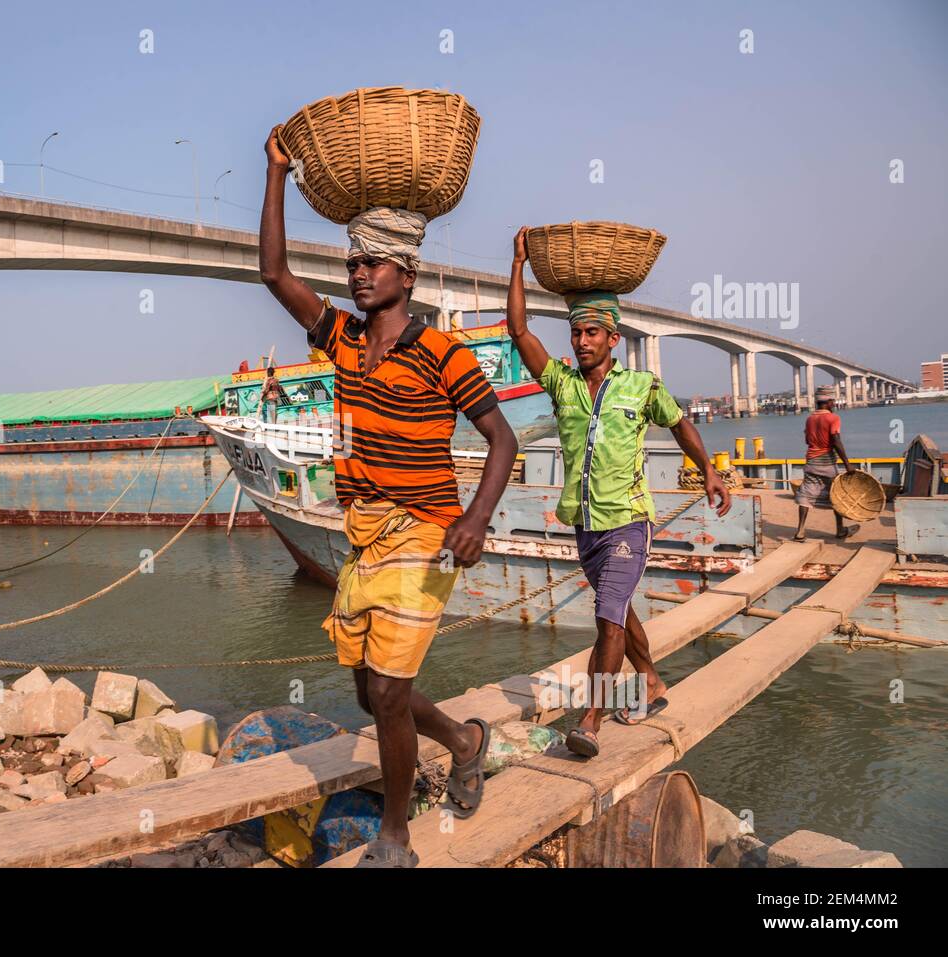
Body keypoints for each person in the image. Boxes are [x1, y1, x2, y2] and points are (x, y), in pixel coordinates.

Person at [260, 127, 518, 867]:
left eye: (371, 262)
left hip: (426, 533)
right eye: (351, 261)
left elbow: (503, 439)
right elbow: (274, 271)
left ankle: (396, 835)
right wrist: (275, 173)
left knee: (388, 689)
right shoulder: (339, 338)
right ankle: (466, 741)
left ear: (406, 272)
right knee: (373, 697)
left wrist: (476, 518)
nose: (357, 273)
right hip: (365, 532)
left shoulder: (443, 353)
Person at [506, 226, 730, 759]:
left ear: (612, 337)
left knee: (607, 619)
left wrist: (709, 470)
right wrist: (517, 264)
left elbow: (680, 425)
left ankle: (591, 719)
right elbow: (518, 330)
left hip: (629, 519)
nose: (580, 342)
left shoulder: (641, 387)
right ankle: (651, 680)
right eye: (575, 333)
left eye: (590, 333)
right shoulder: (560, 383)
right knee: (622, 612)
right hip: (585, 524)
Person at [793, 385, 858, 541]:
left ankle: (800, 531)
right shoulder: (833, 418)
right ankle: (840, 530)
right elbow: (836, 441)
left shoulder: (810, 419)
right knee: (836, 495)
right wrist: (847, 464)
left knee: (805, 495)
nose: (834, 404)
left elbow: (807, 440)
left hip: (810, 462)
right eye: (833, 401)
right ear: (828, 402)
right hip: (827, 463)